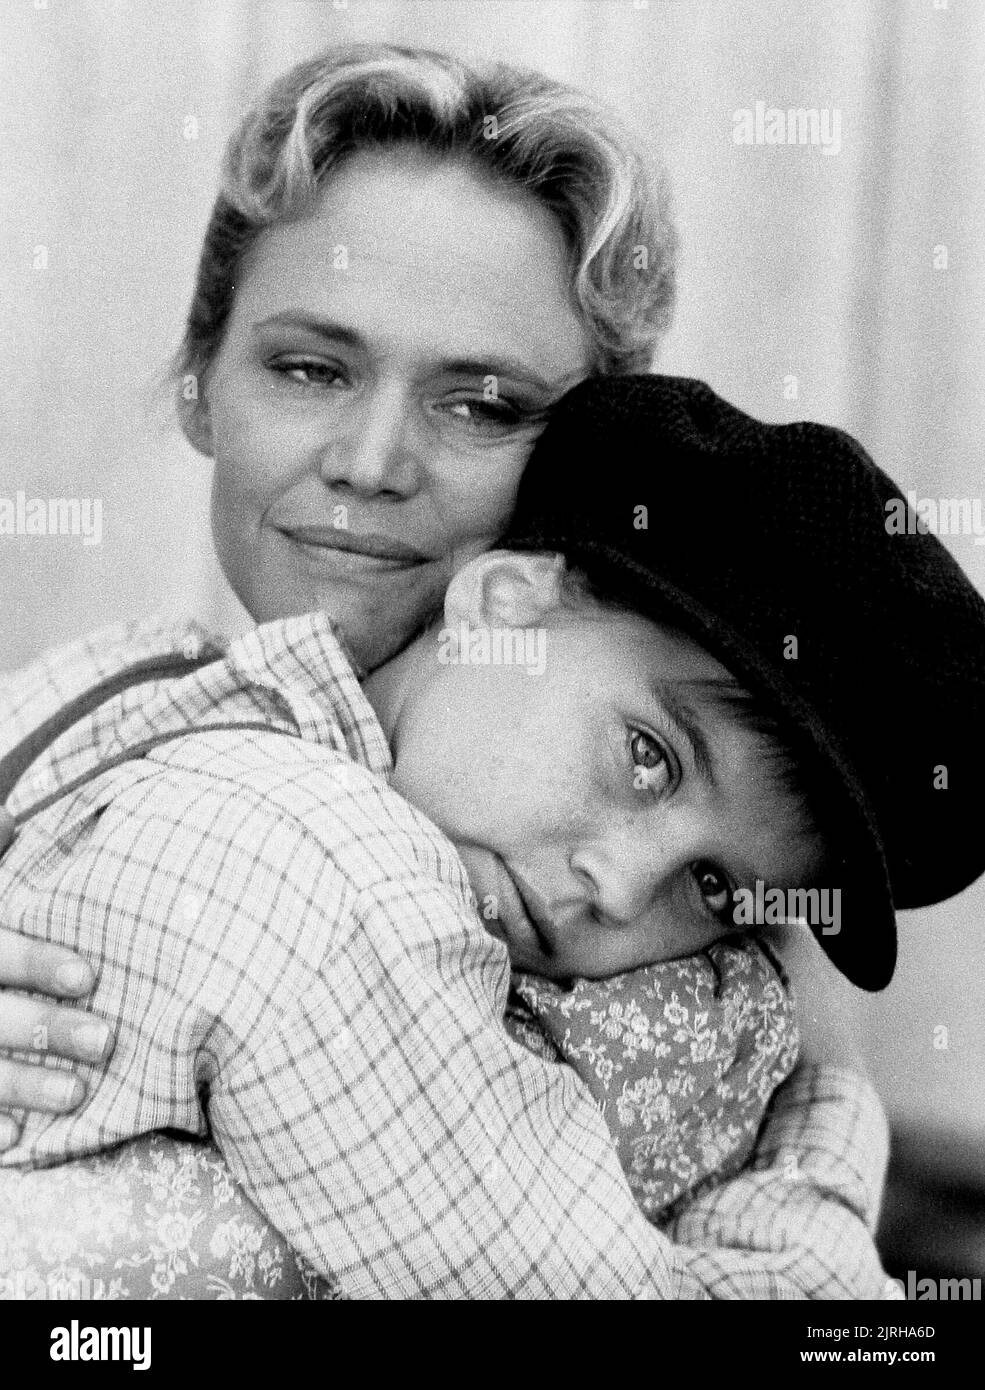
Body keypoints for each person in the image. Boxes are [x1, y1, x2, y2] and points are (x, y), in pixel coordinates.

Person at [0, 43, 885, 1298]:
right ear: (205, 389)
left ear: (584, 472)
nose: (370, 461)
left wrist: (815, 1115)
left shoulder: (697, 959)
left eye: (480, 405)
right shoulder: (101, 689)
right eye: (310, 367)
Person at [3, 372, 984, 1300]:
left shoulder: (148, 684)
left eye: (715, 887)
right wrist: (826, 1109)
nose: (623, 889)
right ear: (502, 603)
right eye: (648, 757)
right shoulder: (315, 862)